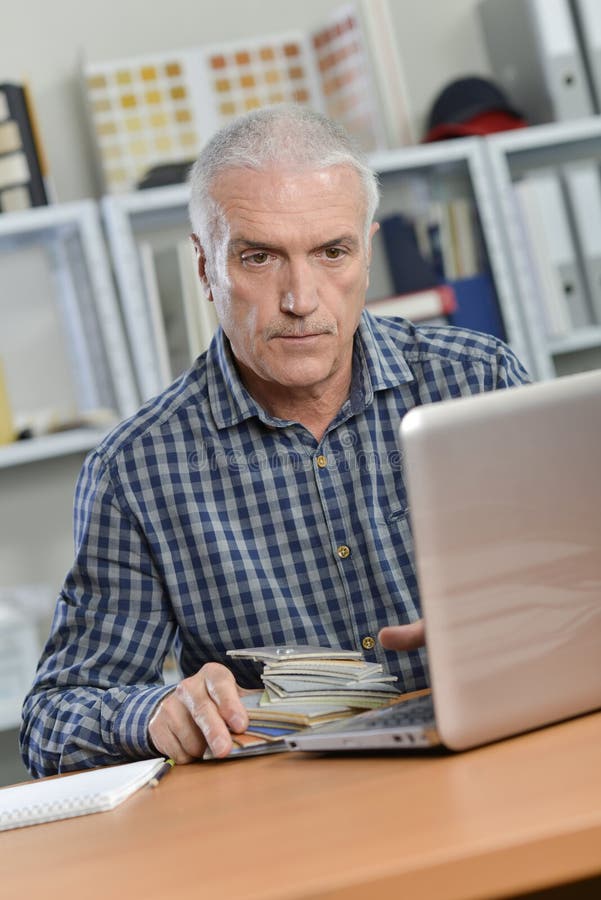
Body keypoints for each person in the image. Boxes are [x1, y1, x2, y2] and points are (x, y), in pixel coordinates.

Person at [21, 105, 529, 777]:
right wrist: (152, 713)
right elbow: (54, 720)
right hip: (296, 810)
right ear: (205, 268)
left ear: (366, 256)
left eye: (331, 252)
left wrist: (525, 619)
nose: (300, 297)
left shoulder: (477, 380)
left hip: (500, 758)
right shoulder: (136, 471)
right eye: (258, 257)